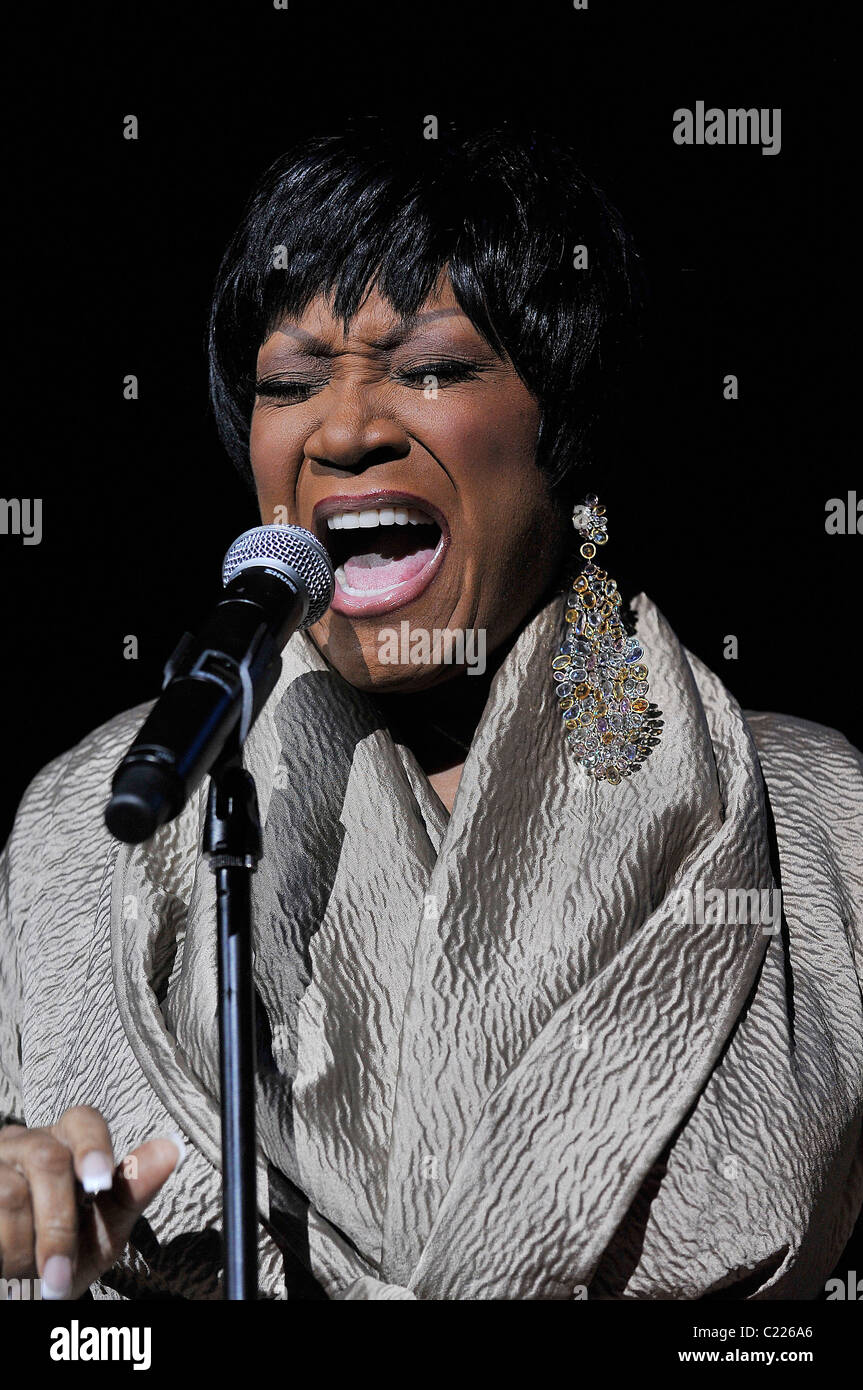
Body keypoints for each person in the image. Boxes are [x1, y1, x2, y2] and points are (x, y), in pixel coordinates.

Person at [1, 121, 861, 1301]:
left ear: (561, 429)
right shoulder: (76, 829)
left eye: (433, 368)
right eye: (290, 384)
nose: (345, 430)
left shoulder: (819, 818)